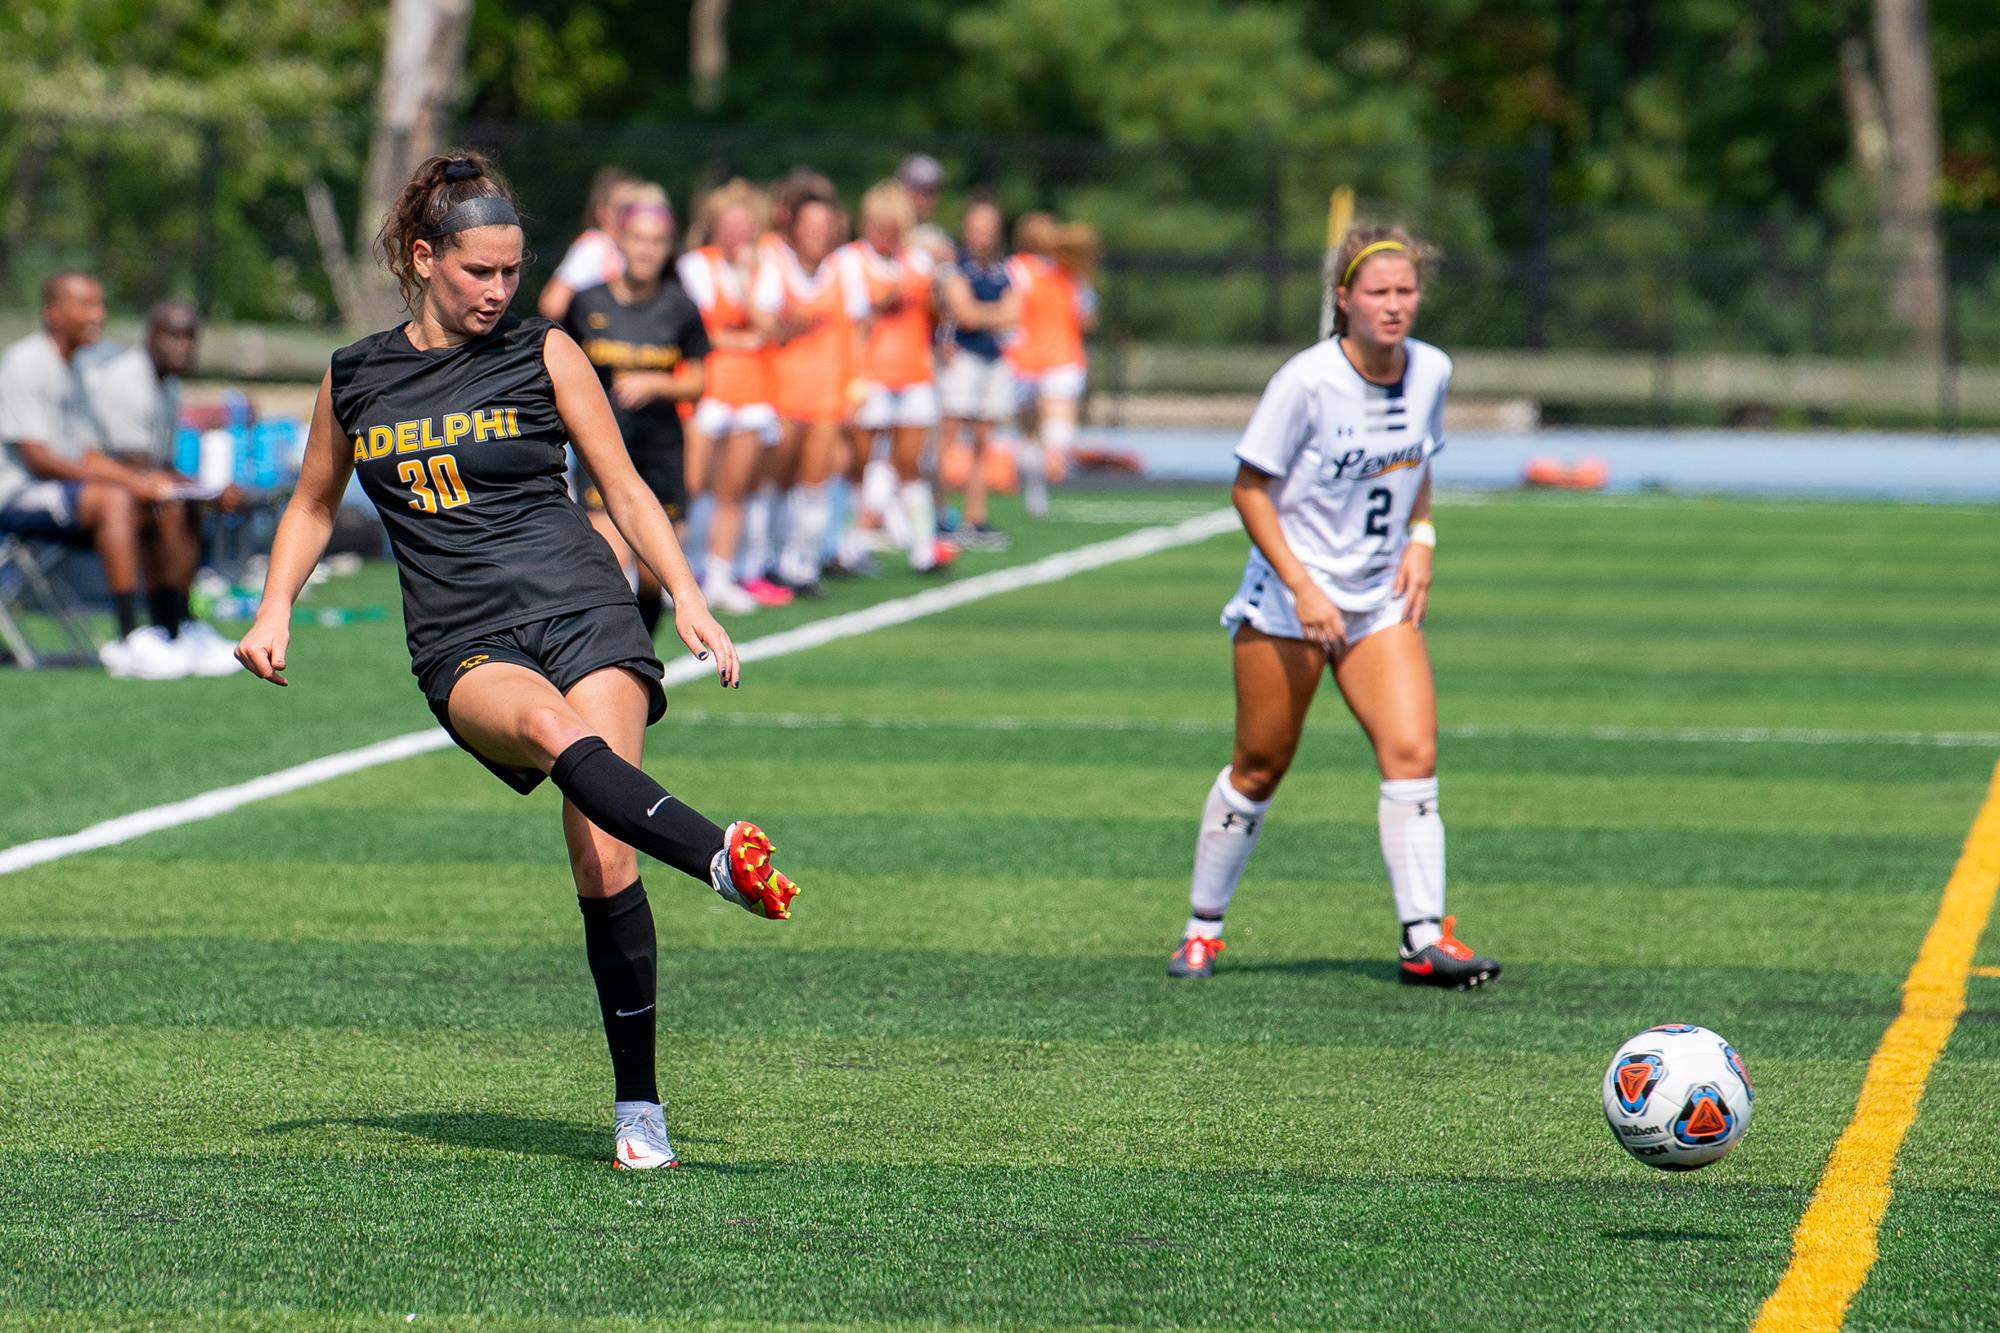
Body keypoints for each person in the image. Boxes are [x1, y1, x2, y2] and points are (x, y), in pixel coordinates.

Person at [234, 152, 800, 1171]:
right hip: (463, 635)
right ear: (422, 258)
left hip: (583, 604)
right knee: (552, 731)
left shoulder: (547, 350)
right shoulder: (355, 374)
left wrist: (690, 595)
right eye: (477, 273)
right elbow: (314, 502)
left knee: (602, 853)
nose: (498, 291)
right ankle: (718, 856)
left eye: (509, 271)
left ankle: (639, 1112)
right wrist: (274, 606)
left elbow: (623, 488)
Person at [1167, 226, 1499, 990]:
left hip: (1376, 600)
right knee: (1259, 766)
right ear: (1343, 299)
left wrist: (1422, 536)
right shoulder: (1305, 381)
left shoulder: (1432, 370)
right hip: (1290, 601)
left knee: (1413, 754)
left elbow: (1419, 462)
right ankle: (1202, 928)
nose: (1394, 305)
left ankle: (1424, 938)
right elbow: (1249, 489)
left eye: (1405, 290)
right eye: (1378, 292)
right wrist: (1304, 589)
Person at [0, 274, 226, 678]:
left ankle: (173, 629)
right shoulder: (25, 362)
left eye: (100, 305)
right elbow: (39, 459)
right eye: (86, 305)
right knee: (115, 499)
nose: (98, 316)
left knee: (165, 500)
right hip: (17, 493)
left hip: (62, 494)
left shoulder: (75, 369)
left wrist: (144, 484)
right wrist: (127, 483)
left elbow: (87, 454)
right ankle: (127, 637)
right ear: (53, 312)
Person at [562, 184, 711, 638]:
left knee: (653, 575)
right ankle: (611, 658)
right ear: (620, 242)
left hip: (660, 448)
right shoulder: (587, 302)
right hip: (602, 448)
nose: (646, 249)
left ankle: (643, 648)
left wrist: (656, 382)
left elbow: (699, 382)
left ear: (668, 249)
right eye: (638, 239)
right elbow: (561, 365)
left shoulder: (680, 308)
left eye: (656, 241)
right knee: (609, 561)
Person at [81, 299, 244, 672]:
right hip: (95, 490)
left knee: (184, 501)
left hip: (129, 486)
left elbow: (163, 466)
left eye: (189, 338)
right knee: (169, 503)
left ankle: (181, 625)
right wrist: (199, 489)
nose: (182, 346)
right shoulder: (127, 379)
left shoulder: (167, 386)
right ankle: (164, 628)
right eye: (172, 336)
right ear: (150, 337)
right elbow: (133, 464)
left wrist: (212, 490)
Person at [752, 191, 868, 596]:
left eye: (825, 226)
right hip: (780, 389)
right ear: (794, 227)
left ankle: (800, 563)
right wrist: (788, 326)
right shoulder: (775, 263)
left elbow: (856, 331)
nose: (818, 234)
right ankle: (760, 558)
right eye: (810, 225)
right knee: (773, 480)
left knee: (815, 479)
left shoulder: (842, 270)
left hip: (825, 391)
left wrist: (857, 386)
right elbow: (764, 320)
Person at [678, 180, 783, 614]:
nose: (737, 235)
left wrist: (742, 282)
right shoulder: (695, 265)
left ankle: (721, 574)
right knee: (690, 483)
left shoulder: (765, 266)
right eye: (729, 226)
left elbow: (771, 326)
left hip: (752, 388)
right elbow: (701, 330)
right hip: (707, 385)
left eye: (744, 226)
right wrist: (744, 338)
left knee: (733, 487)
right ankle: (679, 575)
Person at [844, 179, 948, 574]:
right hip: (871, 374)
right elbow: (853, 323)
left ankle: (924, 547)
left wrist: (940, 289)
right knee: (861, 462)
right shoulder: (851, 261)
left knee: (908, 462)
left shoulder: (918, 262)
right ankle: (852, 545)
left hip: (913, 372)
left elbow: (937, 317)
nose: (887, 235)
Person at [934, 195, 1019, 549]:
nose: (982, 237)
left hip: (993, 360)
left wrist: (983, 314)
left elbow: (1013, 313)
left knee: (984, 439)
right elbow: (964, 313)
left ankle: (975, 517)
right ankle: (937, 516)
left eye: (988, 230)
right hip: (963, 358)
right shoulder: (954, 267)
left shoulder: (1003, 271)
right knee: (949, 436)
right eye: (976, 230)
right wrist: (991, 314)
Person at [1006, 213, 1099, 518]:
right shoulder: (1017, 269)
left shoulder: (1070, 271)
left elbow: (1087, 316)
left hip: (1060, 358)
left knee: (1056, 428)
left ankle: (1055, 460)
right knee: (1029, 432)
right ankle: (1036, 490)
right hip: (1025, 359)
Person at [537, 166, 640, 323]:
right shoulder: (594, 248)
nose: (630, 216)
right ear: (602, 212)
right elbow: (552, 305)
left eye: (636, 208)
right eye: (623, 208)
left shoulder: (627, 251)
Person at [896, 153, 955, 265]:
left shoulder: (940, 238)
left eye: (931, 191)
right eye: (917, 189)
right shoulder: (886, 230)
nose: (924, 199)